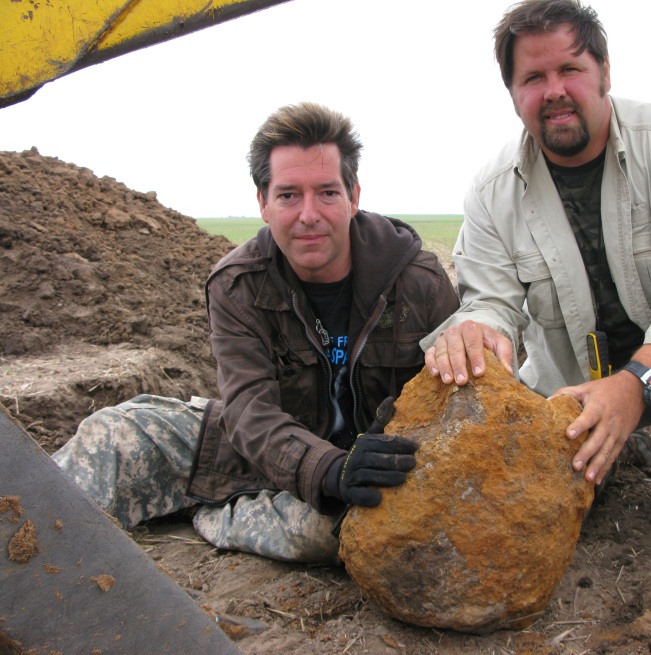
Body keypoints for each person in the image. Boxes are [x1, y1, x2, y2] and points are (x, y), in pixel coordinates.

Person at [422, 0, 651, 548]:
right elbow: (490, 299)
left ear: (604, 73)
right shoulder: (491, 189)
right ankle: (620, 444)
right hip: (570, 397)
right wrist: (478, 328)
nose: (553, 90)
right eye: (533, 77)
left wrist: (636, 384)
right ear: (512, 94)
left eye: (570, 69)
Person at [53, 102, 460, 563]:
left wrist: (354, 469)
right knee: (112, 434)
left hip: (364, 473)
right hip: (271, 454)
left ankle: (214, 512)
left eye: (327, 193)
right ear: (263, 203)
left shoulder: (418, 282)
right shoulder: (237, 283)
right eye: (288, 195)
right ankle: (27, 557)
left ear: (354, 196)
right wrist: (326, 467)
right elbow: (248, 412)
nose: (309, 214)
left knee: (347, 531)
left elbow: (459, 400)